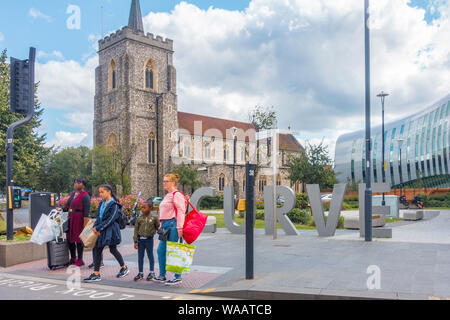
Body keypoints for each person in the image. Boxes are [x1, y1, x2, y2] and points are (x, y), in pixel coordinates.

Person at [83, 184, 129, 282]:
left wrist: (99, 228)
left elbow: (111, 219)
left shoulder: (114, 204)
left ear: (109, 191)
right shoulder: (102, 203)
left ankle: (124, 267)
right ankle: (96, 273)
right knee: (97, 249)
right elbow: (99, 217)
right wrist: (95, 227)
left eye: (102, 192)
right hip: (101, 230)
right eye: (99, 192)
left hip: (111, 231)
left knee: (112, 249)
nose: (100, 194)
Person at [152, 173, 187, 286]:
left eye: (166, 181)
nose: (164, 183)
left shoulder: (177, 195)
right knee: (161, 251)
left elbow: (181, 211)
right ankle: (162, 275)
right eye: (163, 181)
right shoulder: (168, 195)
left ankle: (177, 276)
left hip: (173, 224)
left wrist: (180, 227)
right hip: (165, 225)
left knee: (173, 251)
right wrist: (161, 224)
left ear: (172, 182)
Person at [64, 178, 91, 267]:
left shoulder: (85, 196)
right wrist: (61, 209)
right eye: (75, 182)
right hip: (71, 218)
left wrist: (85, 225)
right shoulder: (72, 194)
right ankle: (73, 257)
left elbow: (86, 212)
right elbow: (68, 206)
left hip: (79, 219)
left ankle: (80, 259)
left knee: (79, 240)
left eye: (78, 183)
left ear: (83, 185)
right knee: (70, 238)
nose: (76, 184)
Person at [133, 200, 160, 281]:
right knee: (140, 257)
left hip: (149, 240)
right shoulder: (139, 218)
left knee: (150, 255)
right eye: (142, 207)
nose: (142, 209)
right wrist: (135, 241)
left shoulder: (154, 217)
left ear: (150, 208)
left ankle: (151, 272)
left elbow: (158, 226)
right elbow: (136, 230)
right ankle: (140, 273)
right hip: (140, 240)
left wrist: (158, 232)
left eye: (144, 207)